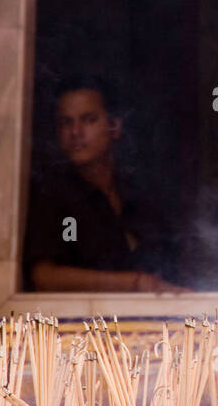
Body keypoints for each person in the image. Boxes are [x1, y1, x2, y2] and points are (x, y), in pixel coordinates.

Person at [23, 76, 183, 292]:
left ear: (115, 127)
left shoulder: (136, 193)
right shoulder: (52, 193)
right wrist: (134, 282)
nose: (76, 132)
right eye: (66, 122)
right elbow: (44, 277)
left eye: (88, 119)